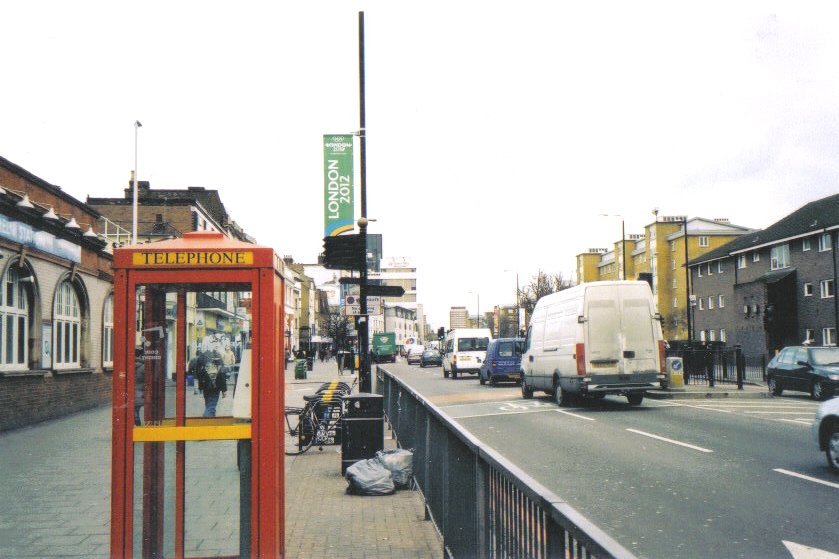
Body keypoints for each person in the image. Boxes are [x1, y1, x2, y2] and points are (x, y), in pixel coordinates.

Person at [192, 351, 229, 417]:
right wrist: (224, 390)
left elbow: (198, 373)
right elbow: (222, 374)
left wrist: (200, 387)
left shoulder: (202, 356)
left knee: (209, 404)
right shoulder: (217, 356)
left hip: (205, 385)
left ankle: (211, 420)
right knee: (211, 406)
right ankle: (206, 420)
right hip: (215, 386)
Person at [134, 349, 144, 426]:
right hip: (140, 392)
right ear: (140, 356)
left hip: (130, 392)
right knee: (136, 411)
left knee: (134, 411)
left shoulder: (128, 365)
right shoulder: (144, 366)